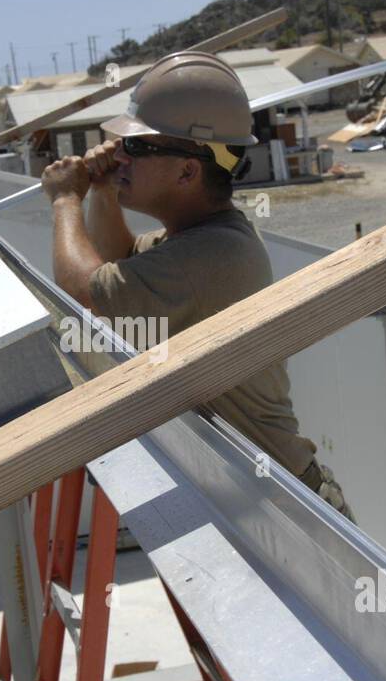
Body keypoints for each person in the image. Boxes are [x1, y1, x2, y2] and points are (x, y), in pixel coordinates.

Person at [39, 50, 354, 521]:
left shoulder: (212, 254)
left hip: (290, 509)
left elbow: (87, 296)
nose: (119, 156)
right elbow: (119, 264)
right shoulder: (193, 238)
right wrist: (103, 190)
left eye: (137, 149)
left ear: (188, 172)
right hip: (260, 495)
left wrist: (66, 199)